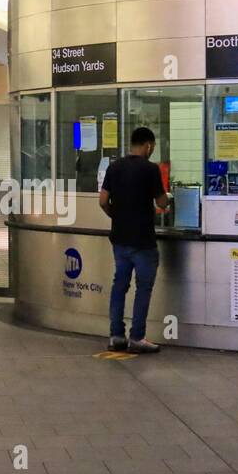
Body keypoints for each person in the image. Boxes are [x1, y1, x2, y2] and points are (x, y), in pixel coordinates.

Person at [99, 126, 171, 353]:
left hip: (119, 239)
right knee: (143, 288)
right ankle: (137, 337)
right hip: (143, 241)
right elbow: (161, 203)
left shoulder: (114, 167)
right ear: (148, 146)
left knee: (119, 286)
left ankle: (116, 336)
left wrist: (117, 216)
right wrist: (168, 200)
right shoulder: (151, 169)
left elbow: (102, 201)